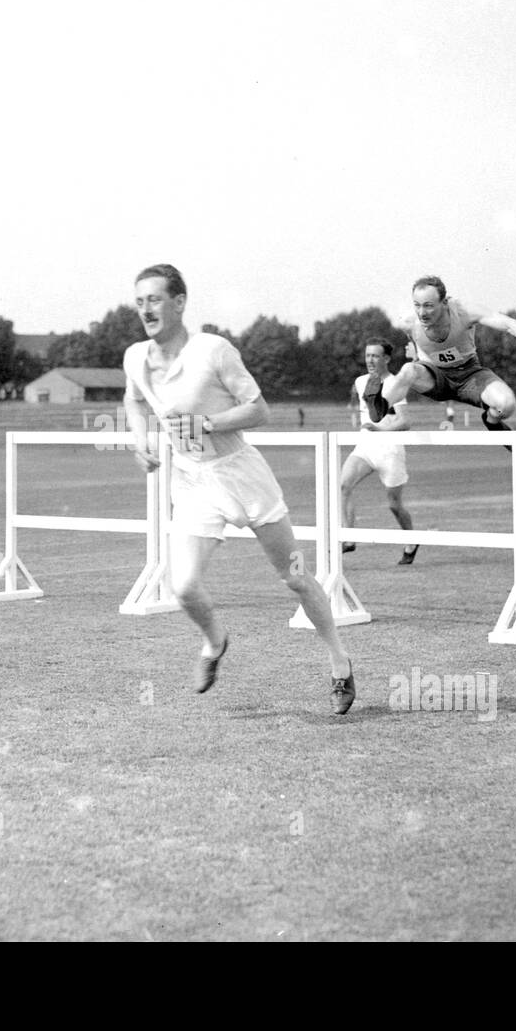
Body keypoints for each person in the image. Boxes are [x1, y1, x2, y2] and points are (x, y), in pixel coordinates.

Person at [122, 264, 358, 714]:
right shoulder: (136, 357)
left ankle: (340, 664)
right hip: (192, 482)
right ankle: (215, 642)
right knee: (183, 584)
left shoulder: (213, 350)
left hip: (243, 477)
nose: (145, 309)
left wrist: (206, 423)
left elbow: (259, 410)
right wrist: (139, 440)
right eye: (139, 301)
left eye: (154, 299)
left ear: (179, 302)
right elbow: (133, 400)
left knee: (295, 578)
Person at [379, 275, 516, 433]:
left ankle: (491, 420)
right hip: (435, 377)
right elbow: (412, 337)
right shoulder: (408, 321)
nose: (422, 313)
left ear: (444, 302)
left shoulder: (465, 312)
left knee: (506, 405)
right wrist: (415, 352)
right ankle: (380, 405)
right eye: (417, 305)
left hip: (470, 376)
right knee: (408, 370)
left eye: (429, 306)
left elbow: (508, 324)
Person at [341, 338, 419, 564]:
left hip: (390, 451)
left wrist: (379, 429)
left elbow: (405, 422)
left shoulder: (396, 384)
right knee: (342, 485)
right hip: (366, 447)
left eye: (375, 356)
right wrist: (370, 430)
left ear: (386, 359)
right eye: (367, 356)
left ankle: (412, 541)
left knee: (394, 505)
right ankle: (349, 538)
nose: (370, 360)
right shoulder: (360, 382)